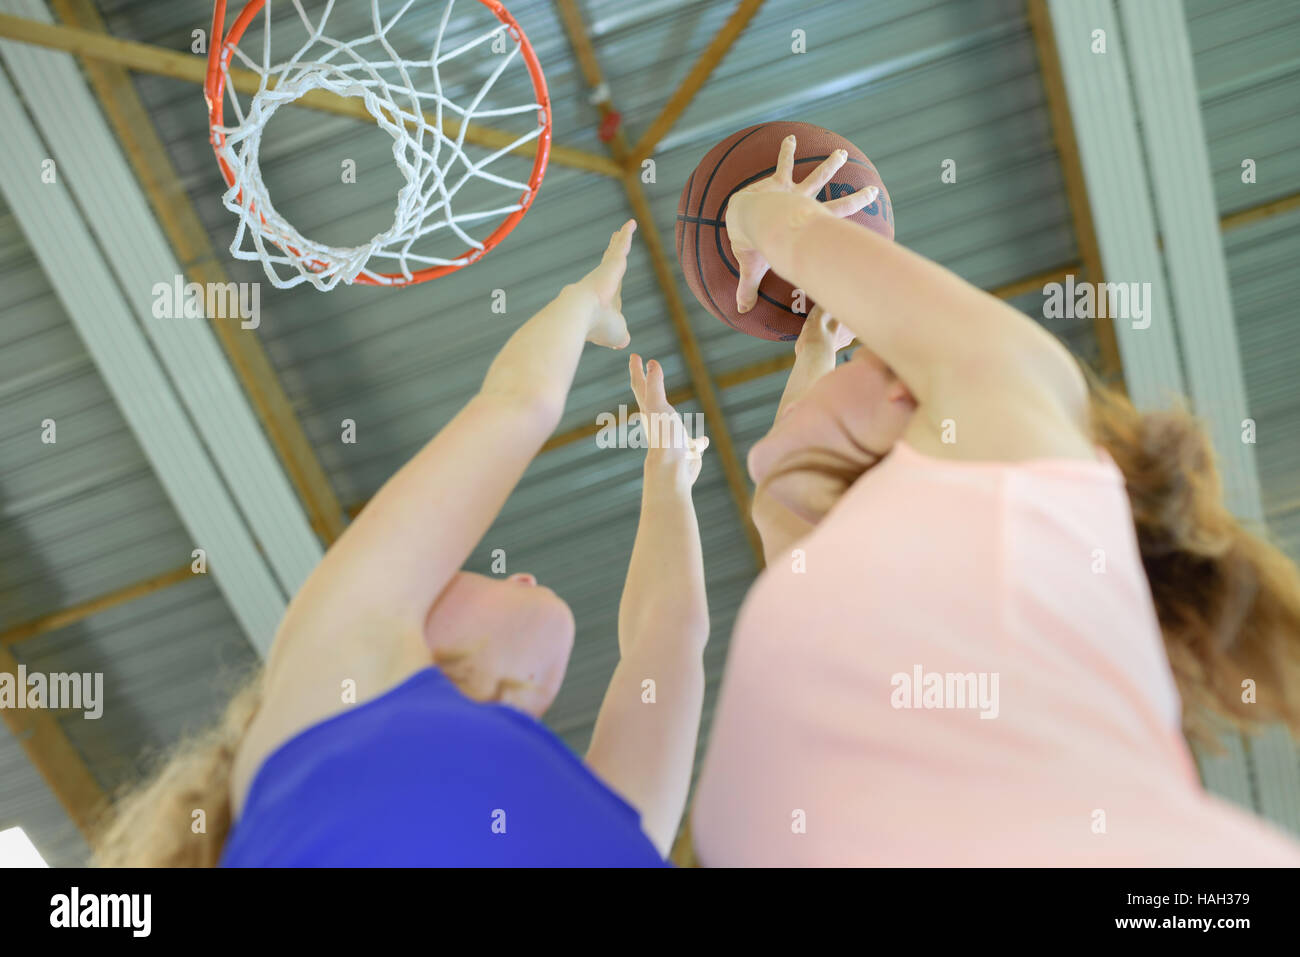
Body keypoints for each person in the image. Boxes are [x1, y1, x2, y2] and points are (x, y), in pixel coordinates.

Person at [691, 135, 1300, 866]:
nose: (860, 351)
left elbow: (790, 458)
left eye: (875, 348)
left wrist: (759, 214)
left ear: (905, 393)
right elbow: (788, 474)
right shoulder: (857, 548)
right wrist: (809, 330)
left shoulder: (1014, 448)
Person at [97, 221, 712, 866]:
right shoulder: (337, 694)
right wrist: (579, 305)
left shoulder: (340, 674)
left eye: (484, 575)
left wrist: (669, 477)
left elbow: (519, 407)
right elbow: (669, 632)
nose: (519, 577)